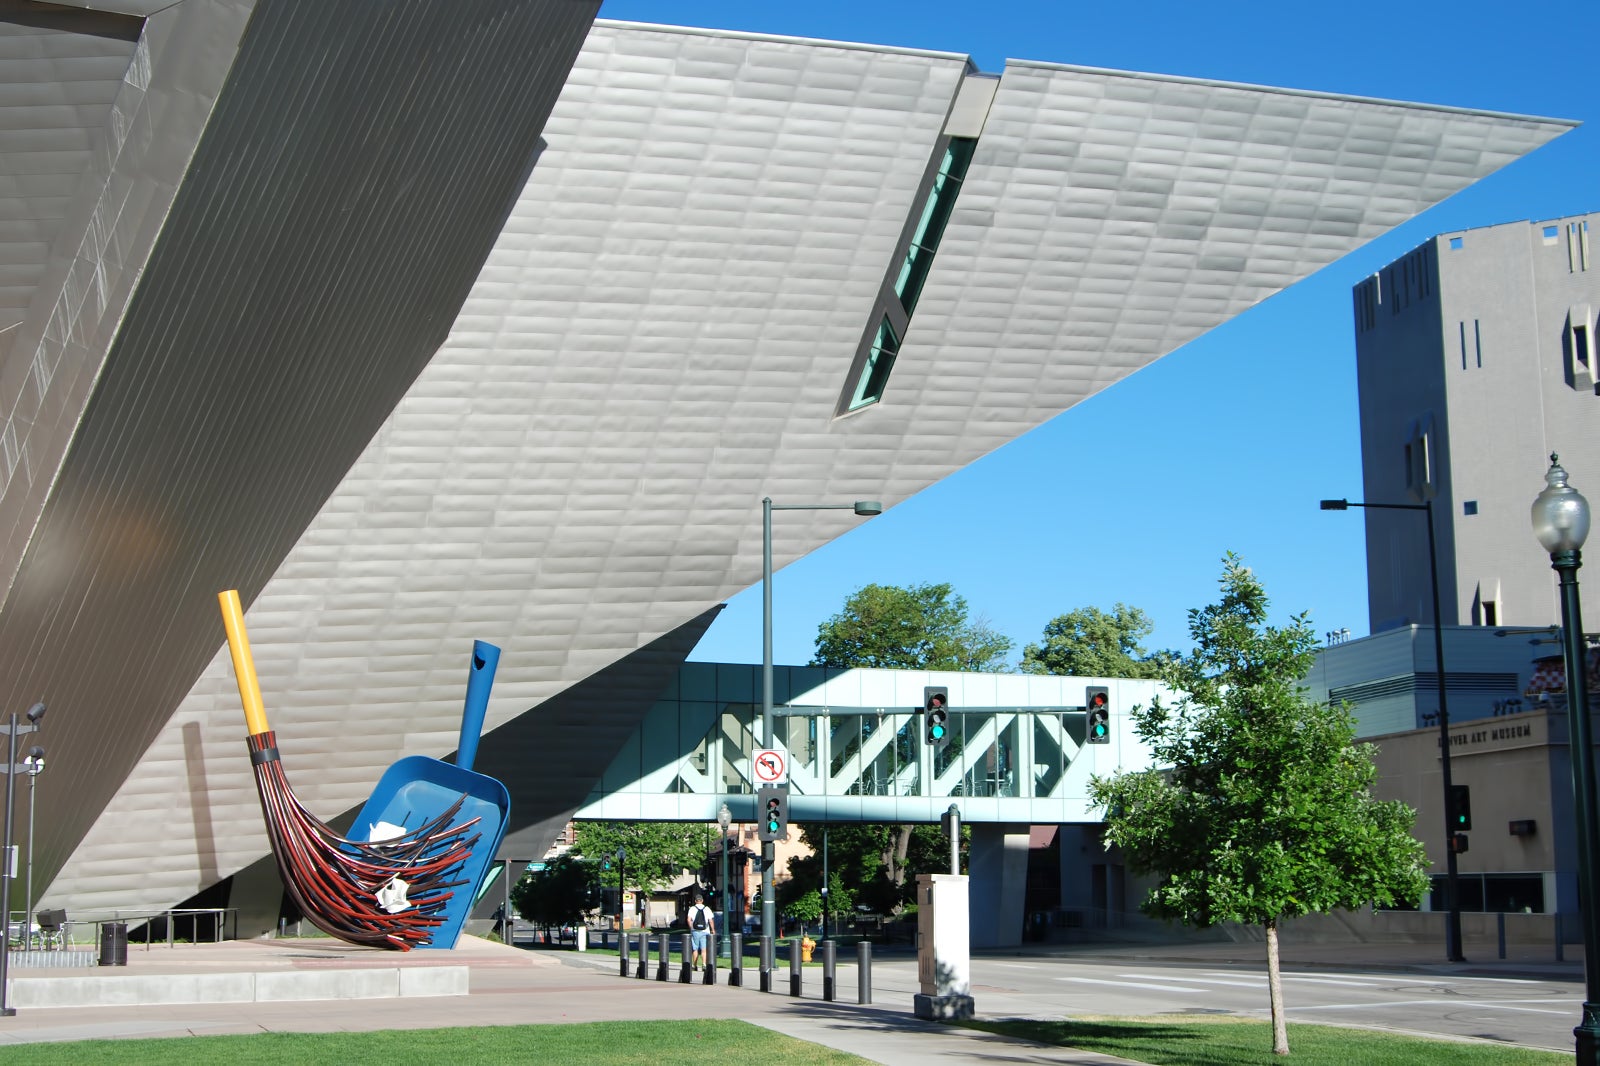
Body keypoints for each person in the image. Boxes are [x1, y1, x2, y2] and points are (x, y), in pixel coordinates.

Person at [686, 890, 715, 970]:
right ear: (702, 900)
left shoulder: (692, 909)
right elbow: (710, 920)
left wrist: (691, 928)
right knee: (704, 949)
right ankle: (704, 964)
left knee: (695, 949)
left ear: (695, 901)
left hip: (695, 931)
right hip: (705, 931)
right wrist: (713, 930)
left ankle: (694, 965)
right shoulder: (707, 909)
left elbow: (689, 919)